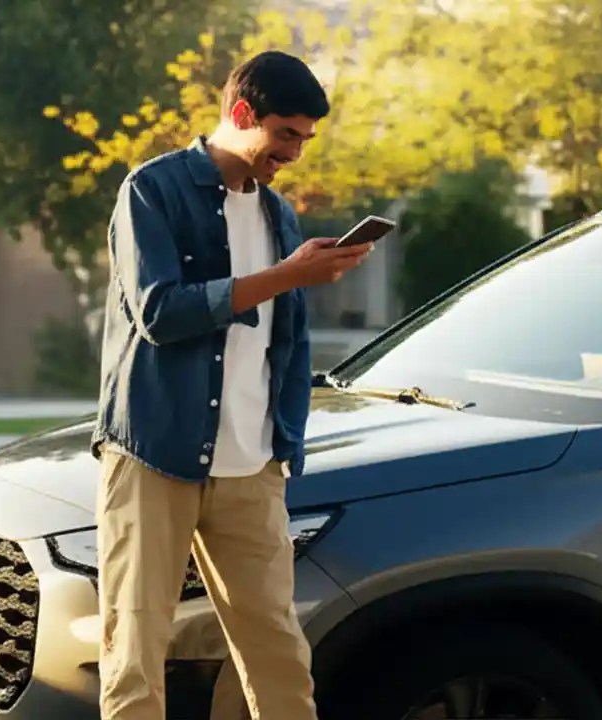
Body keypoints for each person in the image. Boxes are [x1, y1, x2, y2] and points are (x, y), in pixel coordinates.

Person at [90, 50, 371, 720]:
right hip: (154, 454)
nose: (295, 154)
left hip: (251, 464)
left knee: (277, 650)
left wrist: (285, 446)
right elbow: (161, 313)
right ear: (243, 114)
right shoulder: (150, 191)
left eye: (305, 139)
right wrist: (290, 276)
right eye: (284, 135)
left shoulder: (281, 218)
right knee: (134, 653)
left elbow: (287, 343)